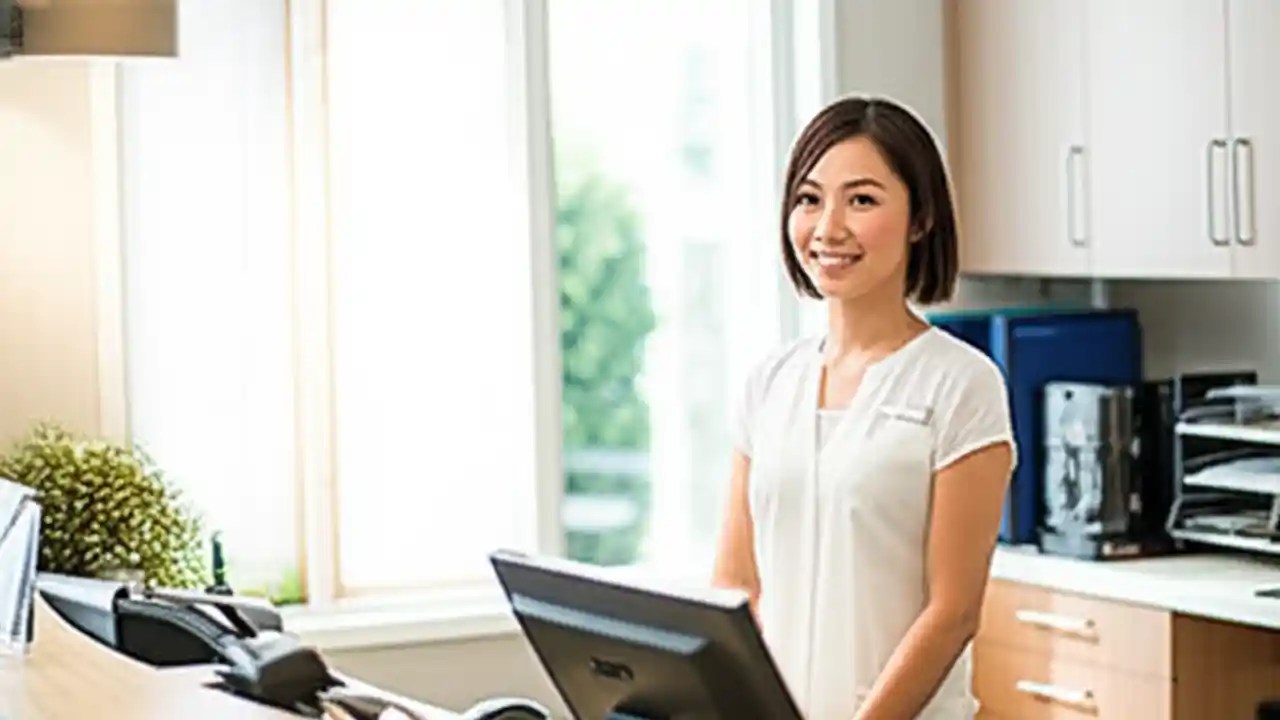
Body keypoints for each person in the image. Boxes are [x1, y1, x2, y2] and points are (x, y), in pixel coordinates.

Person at [711, 96, 1017, 720]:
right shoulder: (768, 383)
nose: (828, 228)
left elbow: (953, 611)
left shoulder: (962, 384)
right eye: (809, 198)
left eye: (862, 200)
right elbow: (736, 585)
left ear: (920, 218)